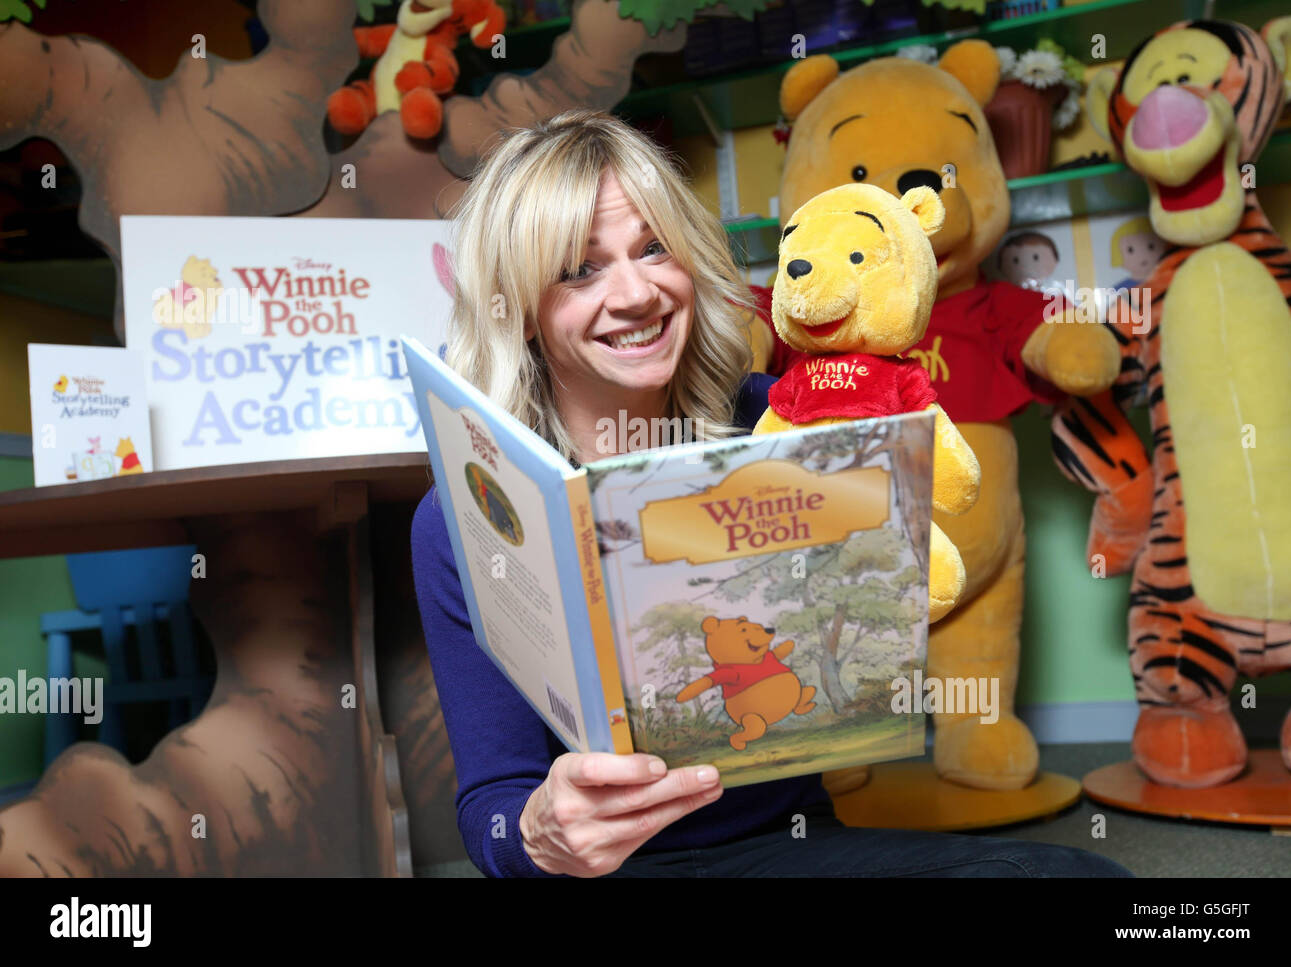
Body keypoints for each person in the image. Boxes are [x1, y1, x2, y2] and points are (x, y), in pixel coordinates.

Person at [410, 109, 1132, 879]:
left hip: (782, 849)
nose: (635, 293)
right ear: (519, 311)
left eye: (655, 248)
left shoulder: (782, 421)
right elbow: (489, 803)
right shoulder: (467, 517)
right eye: (580, 269)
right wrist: (536, 830)